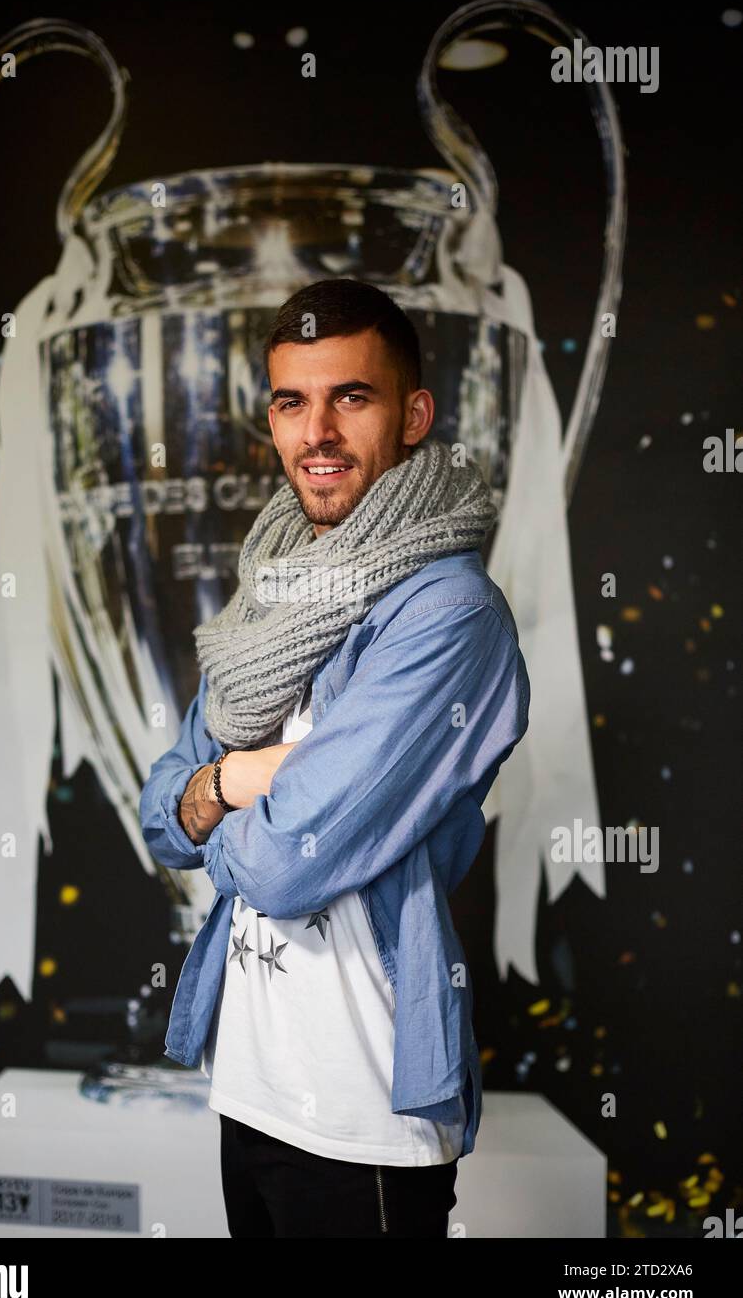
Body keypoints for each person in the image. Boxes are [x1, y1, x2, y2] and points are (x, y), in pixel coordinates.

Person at [139, 277, 530, 1238]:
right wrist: (239, 781)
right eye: (291, 401)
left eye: (350, 396)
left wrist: (221, 805)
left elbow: (280, 864)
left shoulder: (449, 613)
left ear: (412, 415)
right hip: (249, 1087)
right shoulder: (271, 591)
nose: (316, 430)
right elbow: (160, 816)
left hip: (365, 1119)